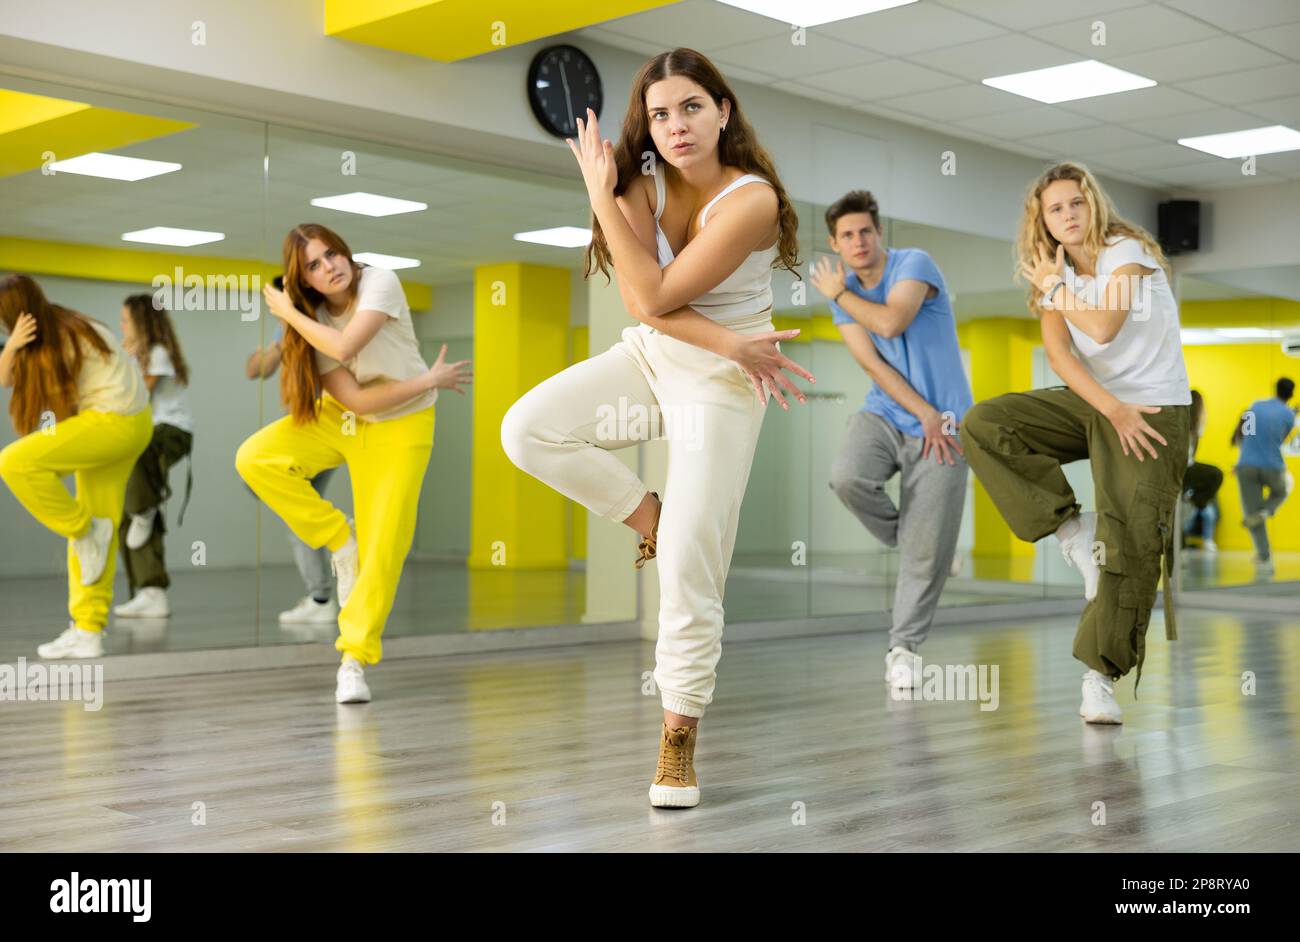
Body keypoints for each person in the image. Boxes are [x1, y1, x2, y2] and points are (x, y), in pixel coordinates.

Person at [501, 48, 814, 808]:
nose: (677, 126)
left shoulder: (751, 201)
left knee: (690, 569)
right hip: (656, 359)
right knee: (528, 429)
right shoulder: (644, 182)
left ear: (723, 111)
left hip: (721, 383)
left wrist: (597, 191)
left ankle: (678, 737)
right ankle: (652, 518)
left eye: (692, 108)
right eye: (663, 113)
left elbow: (653, 290)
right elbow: (647, 311)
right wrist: (609, 189)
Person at [961, 161, 1191, 725]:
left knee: (1132, 541)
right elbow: (1062, 356)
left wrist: (1055, 287)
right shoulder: (1053, 275)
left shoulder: (1126, 252)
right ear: (1041, 220)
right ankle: (1072, 531)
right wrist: (1108, 408)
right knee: (986, 424)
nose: (1067, 215)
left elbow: (1104, 327)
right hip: (1098, 402)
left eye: (1075, 203)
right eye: (1054, 209)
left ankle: (1099, 679)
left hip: (1154, 409)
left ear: (1094, 205)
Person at [236, 224, 470, 703]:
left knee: (385, 546)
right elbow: (356, 402)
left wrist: (287, 311)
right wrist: (427, 379)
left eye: (332, 254)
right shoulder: (316, 321)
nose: (330, 268)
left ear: (345, 253)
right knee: (255, 457)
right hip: (344, 418)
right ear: (306, 282)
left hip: (402, 427)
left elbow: (345, 348)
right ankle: (339, 541)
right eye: (315, 266)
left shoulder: (380, 281)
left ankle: (353, 659)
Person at [812, 189, 971, 690]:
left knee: (926, 557)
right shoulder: (849, 301)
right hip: (887, 414)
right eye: (846, 236)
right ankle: (922, 544)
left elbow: (890, 321)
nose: (857, 242)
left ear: (879, 234)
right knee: (847, 478)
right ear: (834, 244)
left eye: (864, 232)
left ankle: (902, 649)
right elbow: (872, 363)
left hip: (945, 428)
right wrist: (918, 411)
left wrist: (838, 294)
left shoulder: (914, 265)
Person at [0, 274, 152, 657]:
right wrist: (14, 345)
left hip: (111, 423)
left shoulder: (59, 339)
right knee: (94, 534)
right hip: (130, 424)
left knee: (14, 462)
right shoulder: (65, 323)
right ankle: (88, 631)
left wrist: (14, 346)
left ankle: (84, 528)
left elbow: (19, 390)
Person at [245, 321, 341, 626]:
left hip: (316, 432)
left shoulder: (324, 323)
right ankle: (321, 595)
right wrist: (280, 341)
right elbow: (255, 369)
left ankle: (322, 597)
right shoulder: (286, 328)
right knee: (296, 510)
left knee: (299, 516)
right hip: (296, 430)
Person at [113, 294, 194, 618]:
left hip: (170, 431)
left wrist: (122, 361)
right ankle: (149, 591)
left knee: (139, 501)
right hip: (143, 434)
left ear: (142, 323)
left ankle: (144, 510)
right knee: (125, 510)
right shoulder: (132, 355)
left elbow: (138, 393)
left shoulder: (157, 353)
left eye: (125, 320)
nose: (121, 325)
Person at [1231, 376, 1296, 575]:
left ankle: (1264, 555)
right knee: (1281, 491)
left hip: (1246, 465)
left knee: (1251, 512)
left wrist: (1245, 456)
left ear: (1274, 388)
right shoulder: (1288, 414)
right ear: (1291, 394)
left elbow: (1245, 433)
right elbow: (1281, 439)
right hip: (1272, 465)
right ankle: (1266, 511)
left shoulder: (1256, 405)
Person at [1181, 389, 1222, 552]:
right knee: (1215, 474)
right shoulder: (1184, 425)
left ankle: (1194, 499)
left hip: (1188, 468)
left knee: (1214, 476)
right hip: (1183, 469)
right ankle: (1195, 500)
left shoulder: (1195, 428)